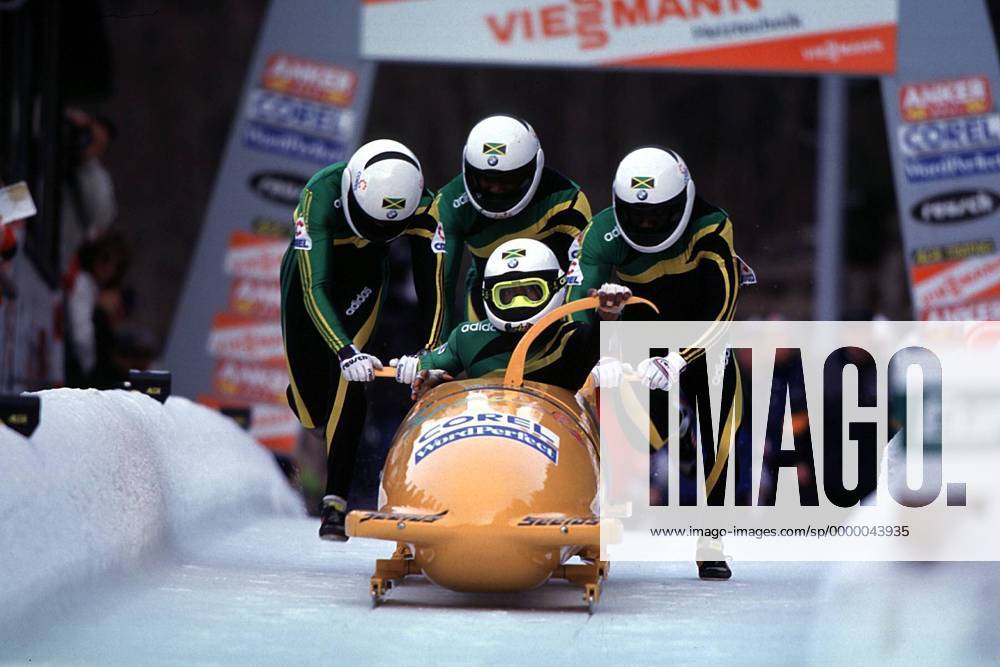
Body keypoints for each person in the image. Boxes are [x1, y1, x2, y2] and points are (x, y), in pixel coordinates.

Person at [568, 146, 755, 580]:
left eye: (658, 216)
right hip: (640, 337)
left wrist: (682, 357)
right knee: (627, 431)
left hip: (701, 336)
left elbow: (723, 304)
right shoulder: (600, 235)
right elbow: (579, 309)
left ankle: (712, 542)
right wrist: (603, 332)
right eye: (639, 217)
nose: (648, 225)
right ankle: (672, 434)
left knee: (720, 430)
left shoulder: (712, 225)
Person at [280, 139, 440, 541]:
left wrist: (432, 351)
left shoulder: (425, 205)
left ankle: (335, 504)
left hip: (365, 279)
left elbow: (435, 284)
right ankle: (315, 410)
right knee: (312, 410)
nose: (377, 232)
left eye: (388, 227)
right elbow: (314, 286)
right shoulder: (320, 194)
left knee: (350, 384)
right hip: (311, 281)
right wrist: (343, 348)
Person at [391, 238, 631, 398]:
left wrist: (607, 318)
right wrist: (422, 372)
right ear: (488, 296)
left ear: (555, 287)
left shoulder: (572, 337)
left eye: (529, 293)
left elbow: (599, 345)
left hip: (555, 443)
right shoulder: (467, 337)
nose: (518, 303)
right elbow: (429, 365)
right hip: (486, 444)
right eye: (507, 295)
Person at [423, 114, 591, 337]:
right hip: (491, 312)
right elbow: (442, 283)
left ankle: (644, 353)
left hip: (555, 312)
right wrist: (433, 350)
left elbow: (585, 275)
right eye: (486, 180)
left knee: (616, 312)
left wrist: (582, 337)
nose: (496, 190)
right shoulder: (450, 204)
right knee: (464, 354)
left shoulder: (567, 200)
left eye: (507, 181)